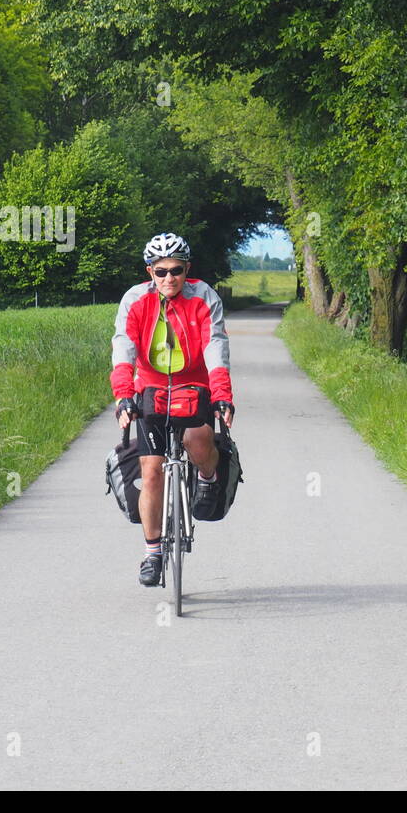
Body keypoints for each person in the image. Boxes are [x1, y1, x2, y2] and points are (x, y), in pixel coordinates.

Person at [111, 233, 235, 586]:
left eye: (176, 270)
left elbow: (216, 347)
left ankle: (208, 479)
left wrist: (222, 395)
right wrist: (123, 396)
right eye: (161, 271)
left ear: (187, 269)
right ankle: (152, 554)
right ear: (149, 270)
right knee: (151, 472)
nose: (169, 279)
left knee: (199, 443)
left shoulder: (204, 297)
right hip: (150, 390)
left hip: (195, 387)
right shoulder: (135, 300)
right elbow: (124, 347)